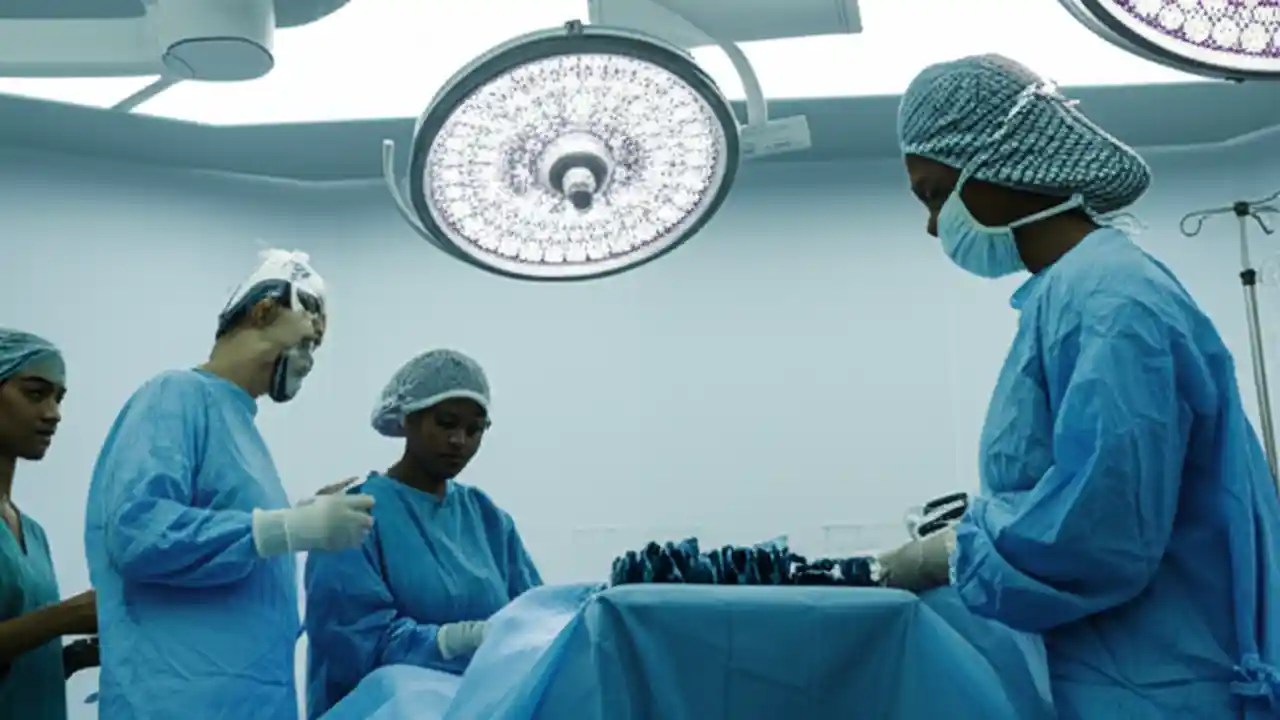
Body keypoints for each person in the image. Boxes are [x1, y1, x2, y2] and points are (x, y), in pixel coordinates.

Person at [875, 53, 1280, 719]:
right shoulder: (1067, 296)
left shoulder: (1113, 301)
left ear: (998, 162)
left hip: (1159, 689)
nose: (931, 224)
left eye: (934, 193)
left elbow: (1102, 530)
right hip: (1126, 676)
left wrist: (950, 551)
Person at [83, 250, 377, 720]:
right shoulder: (176, 394)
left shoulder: (241, 429)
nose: (308, 360)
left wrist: (302, 514)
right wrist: (287, 528)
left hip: (253, 699)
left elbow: (236, 542)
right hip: (180, 702)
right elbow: (138, 535)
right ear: (263, 312)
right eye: (306, 342)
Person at [304, 349, 542, 717]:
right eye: (446, 423)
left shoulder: (487, 519)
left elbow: (532, 617)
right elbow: (352, 646)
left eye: (474, 429)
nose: (459, 440)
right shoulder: (353, 515)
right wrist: (450, 642)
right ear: (407, 419)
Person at [0, 330, 98, 720]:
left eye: (59, 398)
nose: (53, 413)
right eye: (35, 393)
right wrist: (66, 617)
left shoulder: (33, 534)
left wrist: (72, 656)